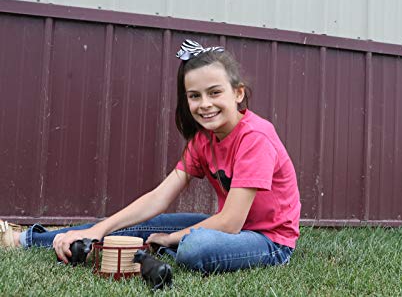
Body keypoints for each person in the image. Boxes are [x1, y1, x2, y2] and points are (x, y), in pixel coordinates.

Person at [0, 39, 301, 274]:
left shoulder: (255, 137)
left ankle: (161, 247)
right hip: (228, 228)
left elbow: (231, 223)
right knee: (135, 226)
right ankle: (26, 240)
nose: (204, 104)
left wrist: (170, 238)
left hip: (268, 241)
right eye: (194, 96)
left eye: (214, 92)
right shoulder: (203, 140)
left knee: (195, 247)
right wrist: (97, 230)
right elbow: (158, 197)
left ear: (238, 93)